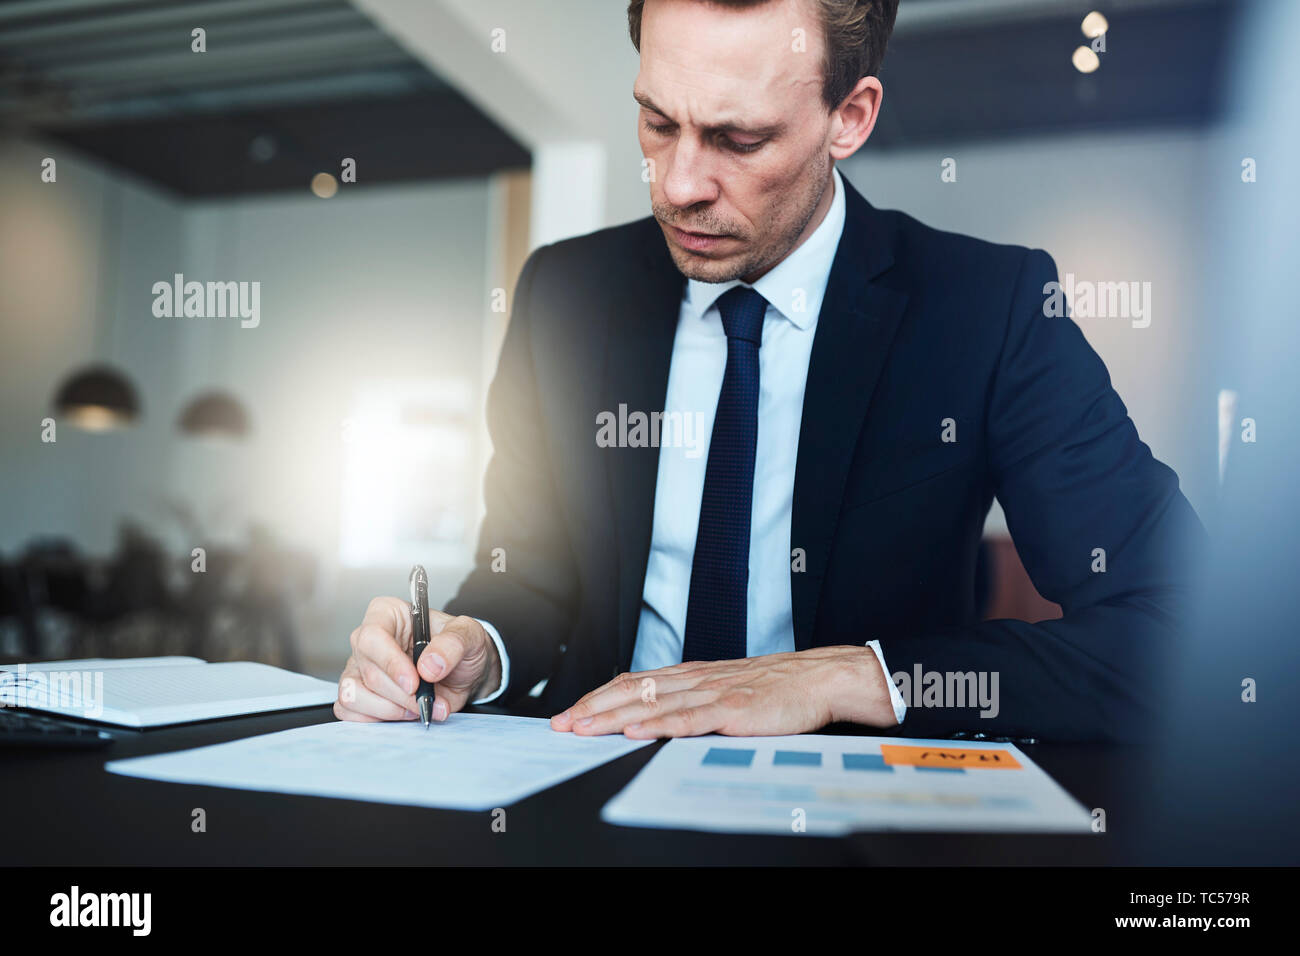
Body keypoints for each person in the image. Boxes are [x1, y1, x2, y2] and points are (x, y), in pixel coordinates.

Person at [335, 0, 1202, 743]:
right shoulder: (565, 293)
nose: (677, 185)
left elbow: (1184, 631)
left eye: (737, 138)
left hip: (859, 815)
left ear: (850, 117)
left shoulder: (989, 308)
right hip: (584, 791)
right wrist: (473, 648)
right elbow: (526, 568)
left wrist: (851, 679)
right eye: (656, 121)